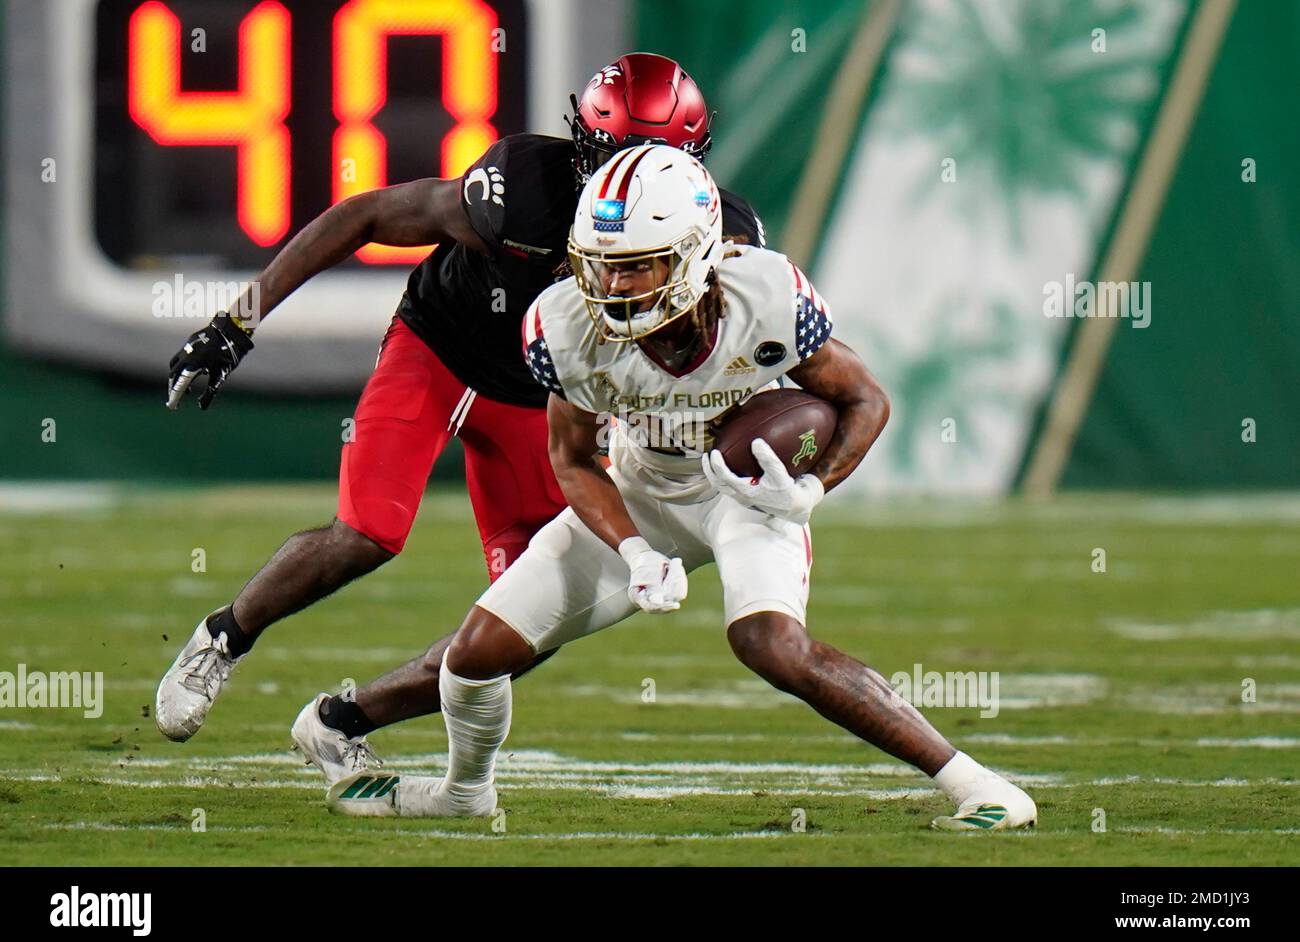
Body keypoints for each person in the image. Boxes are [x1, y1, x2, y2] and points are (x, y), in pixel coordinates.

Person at [298, 145, 1037, 832]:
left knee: (772, 644)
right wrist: (634, 549)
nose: (608, 285)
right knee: (475, 656)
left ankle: (976, 783)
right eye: (599, 264)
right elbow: (576, 458)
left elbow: (866, 400)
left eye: (634, 266)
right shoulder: (568, 325)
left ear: (691, 255)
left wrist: (811, 488)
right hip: (641, 488)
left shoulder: (766, 297)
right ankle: (465, 794)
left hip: (746, 491)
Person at [154, 54, 765, 747]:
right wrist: (236, 324)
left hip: (540, 402)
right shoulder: (524, 191)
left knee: (530, 623)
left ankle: (343, 721)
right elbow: (369, 213)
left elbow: (751, 347)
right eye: (616, 163)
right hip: (438, 352)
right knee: (367, 533)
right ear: (583, 150)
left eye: (660, 164)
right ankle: (224, 638)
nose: (634, 187)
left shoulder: (719, 235)